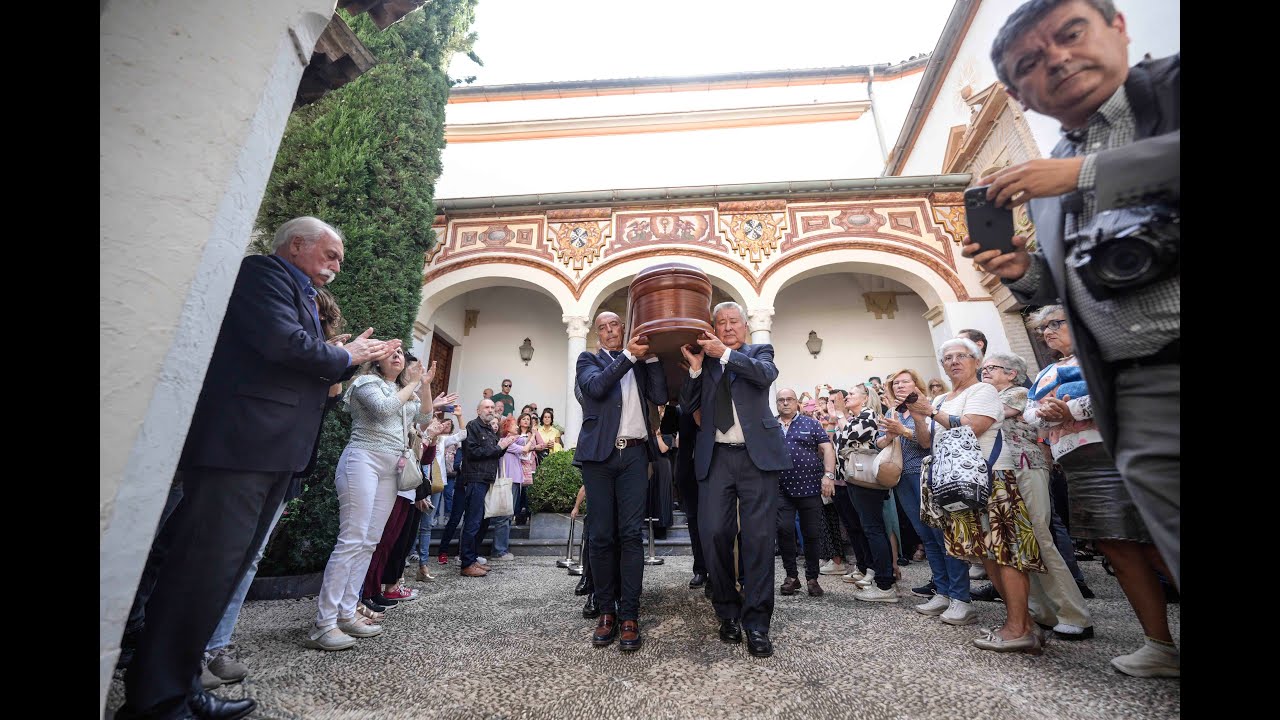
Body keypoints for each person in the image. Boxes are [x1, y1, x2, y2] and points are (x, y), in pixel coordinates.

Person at [116, 216, 401, 720]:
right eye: (331, 255)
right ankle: (156, 700)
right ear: (296, 245)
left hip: (271, 453)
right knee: (199, 572)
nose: (337, 266)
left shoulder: (303, 293)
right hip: (241, 449)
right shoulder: (262, 276)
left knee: (218, 576)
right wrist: (346, 353)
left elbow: (303, 368)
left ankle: (180, 688)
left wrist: (342, 359)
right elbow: (283, 346)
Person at [967, 0, 1179, 587]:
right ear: (1021, 97)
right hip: (1135, 389)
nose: (1057, 59)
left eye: (1071, 33)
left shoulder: (1169, 87)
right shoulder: (1048, 172)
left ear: (1118, 28)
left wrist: (1085, 174)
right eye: (1031, 61)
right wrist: (1021, 272)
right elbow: (1072, 286)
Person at [1024, 305, 1178, 676]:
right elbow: (1029, 410)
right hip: (1079, 463)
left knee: (1160, 546)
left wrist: (1070, 410)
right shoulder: (1047, 370)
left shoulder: (1111, 352)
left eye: (1056, 324)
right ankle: (1159, 646)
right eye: (1043, 328)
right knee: (1116, 546)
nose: (1048, 332)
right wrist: (1043, 415)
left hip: (1123, 453)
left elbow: (1122, 389)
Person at [308, 349, 453, 650]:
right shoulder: (365, 384)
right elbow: (384, 409)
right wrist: (413, 383)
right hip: (363, 460)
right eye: (392, 353)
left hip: (390, 469)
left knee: (370, 540)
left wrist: (425, 384)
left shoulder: (403, 390)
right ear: (377, 360)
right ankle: (324, 622)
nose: (399, 356)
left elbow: (425, 418)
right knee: (352, 539)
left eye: (401, 353)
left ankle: (347, 613)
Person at [908, 338, 1046, 653]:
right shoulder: (942, 398)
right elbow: (929, 441)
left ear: (977, 361)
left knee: (1006, 553)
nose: (954, 361)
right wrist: (918, 416)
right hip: (957, 483)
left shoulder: (983, 391)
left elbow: (974, 427)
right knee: (985, 555)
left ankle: (1017, 627)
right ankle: (1021, 623)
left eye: (962, 356)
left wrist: (929, 410)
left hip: (991, 477)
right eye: (948, 358)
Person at [679, 301, 791, 658]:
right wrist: (697, 369)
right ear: (713, 326)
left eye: (733, 322)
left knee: (759, 538)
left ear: (744, 326)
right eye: (721, 322)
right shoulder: (707, 360)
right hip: (717, 457)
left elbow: (764, 375)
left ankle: (757, 624)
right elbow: (687, 405)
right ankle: (727, 610)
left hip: (756, 457)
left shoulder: (759, 351)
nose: (727, 327)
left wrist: (724, 353)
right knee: (714, 534)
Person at [980, 351, 1094, 641]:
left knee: (1039, 536)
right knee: (1017, 542)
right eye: (984, 368)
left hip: (1025, 466)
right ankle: (1041, 611)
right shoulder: (985, 395)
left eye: (992, 368)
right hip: (1000, 473)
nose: (986, 371)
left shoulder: (1019, 393)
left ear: (1012, 373)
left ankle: (1073, 613)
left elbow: (988, 418)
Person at [574, 311, 669, 651]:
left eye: (615, 325)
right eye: (604, 327)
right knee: (600, 536)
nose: (610, 330)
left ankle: (629, 613)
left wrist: (652, 356)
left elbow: (659, 397)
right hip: (599, 458)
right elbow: (595, 389)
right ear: (598, 335)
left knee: (631, 534)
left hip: (634, 455)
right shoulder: (589, 360)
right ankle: (605, 611)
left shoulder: (641, 364)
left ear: (623, 328)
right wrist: (629, 356)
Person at [877, 369, 963, 611]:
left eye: (905, 382)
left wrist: (903, 430)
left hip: (926, 475)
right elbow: (879, 441)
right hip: (903, 478)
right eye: (896, 384)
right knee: (926, 536)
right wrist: (890, 435)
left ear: (917, 384)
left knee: (941, 535)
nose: (900, 386)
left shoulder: (927, 406)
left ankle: (959, 596)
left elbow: (926, 442)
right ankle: (942, 591)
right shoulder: (893, 411)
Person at [835, 385, 898, 602]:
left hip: (866, 480)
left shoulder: (868, 415)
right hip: (855, 478)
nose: (847, 396)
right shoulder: (856, 416)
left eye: (851, 394)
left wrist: (841, 415)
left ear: (865, 398)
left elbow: (846, 436)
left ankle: (885, 585)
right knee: (867, 528)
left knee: (873, 529)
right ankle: (877, 575)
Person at [774, 388, 835, 598]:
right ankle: (791, 576)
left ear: (796, 402)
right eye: (780, 400)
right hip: (780, 489)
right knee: (784, 530)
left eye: (789, 399)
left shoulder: (811, 423)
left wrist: (828, 475)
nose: (785, 403)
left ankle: (812, 578)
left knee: (811, 534)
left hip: (810, 488)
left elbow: (827, 448)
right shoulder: (770, 425)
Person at [458, 398, 514, 576]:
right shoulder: (472, 426)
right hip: (475, 479)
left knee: (483, 522)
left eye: (492, 407)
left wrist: (504, 446)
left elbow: (493, 453)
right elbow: (472, 452)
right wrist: (499, 447)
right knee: (473, 522)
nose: (490, 410)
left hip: (487, 479)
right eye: (487, 407)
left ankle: (473, 559)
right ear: (478, 410)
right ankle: (467, 563)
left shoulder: (490, 429)